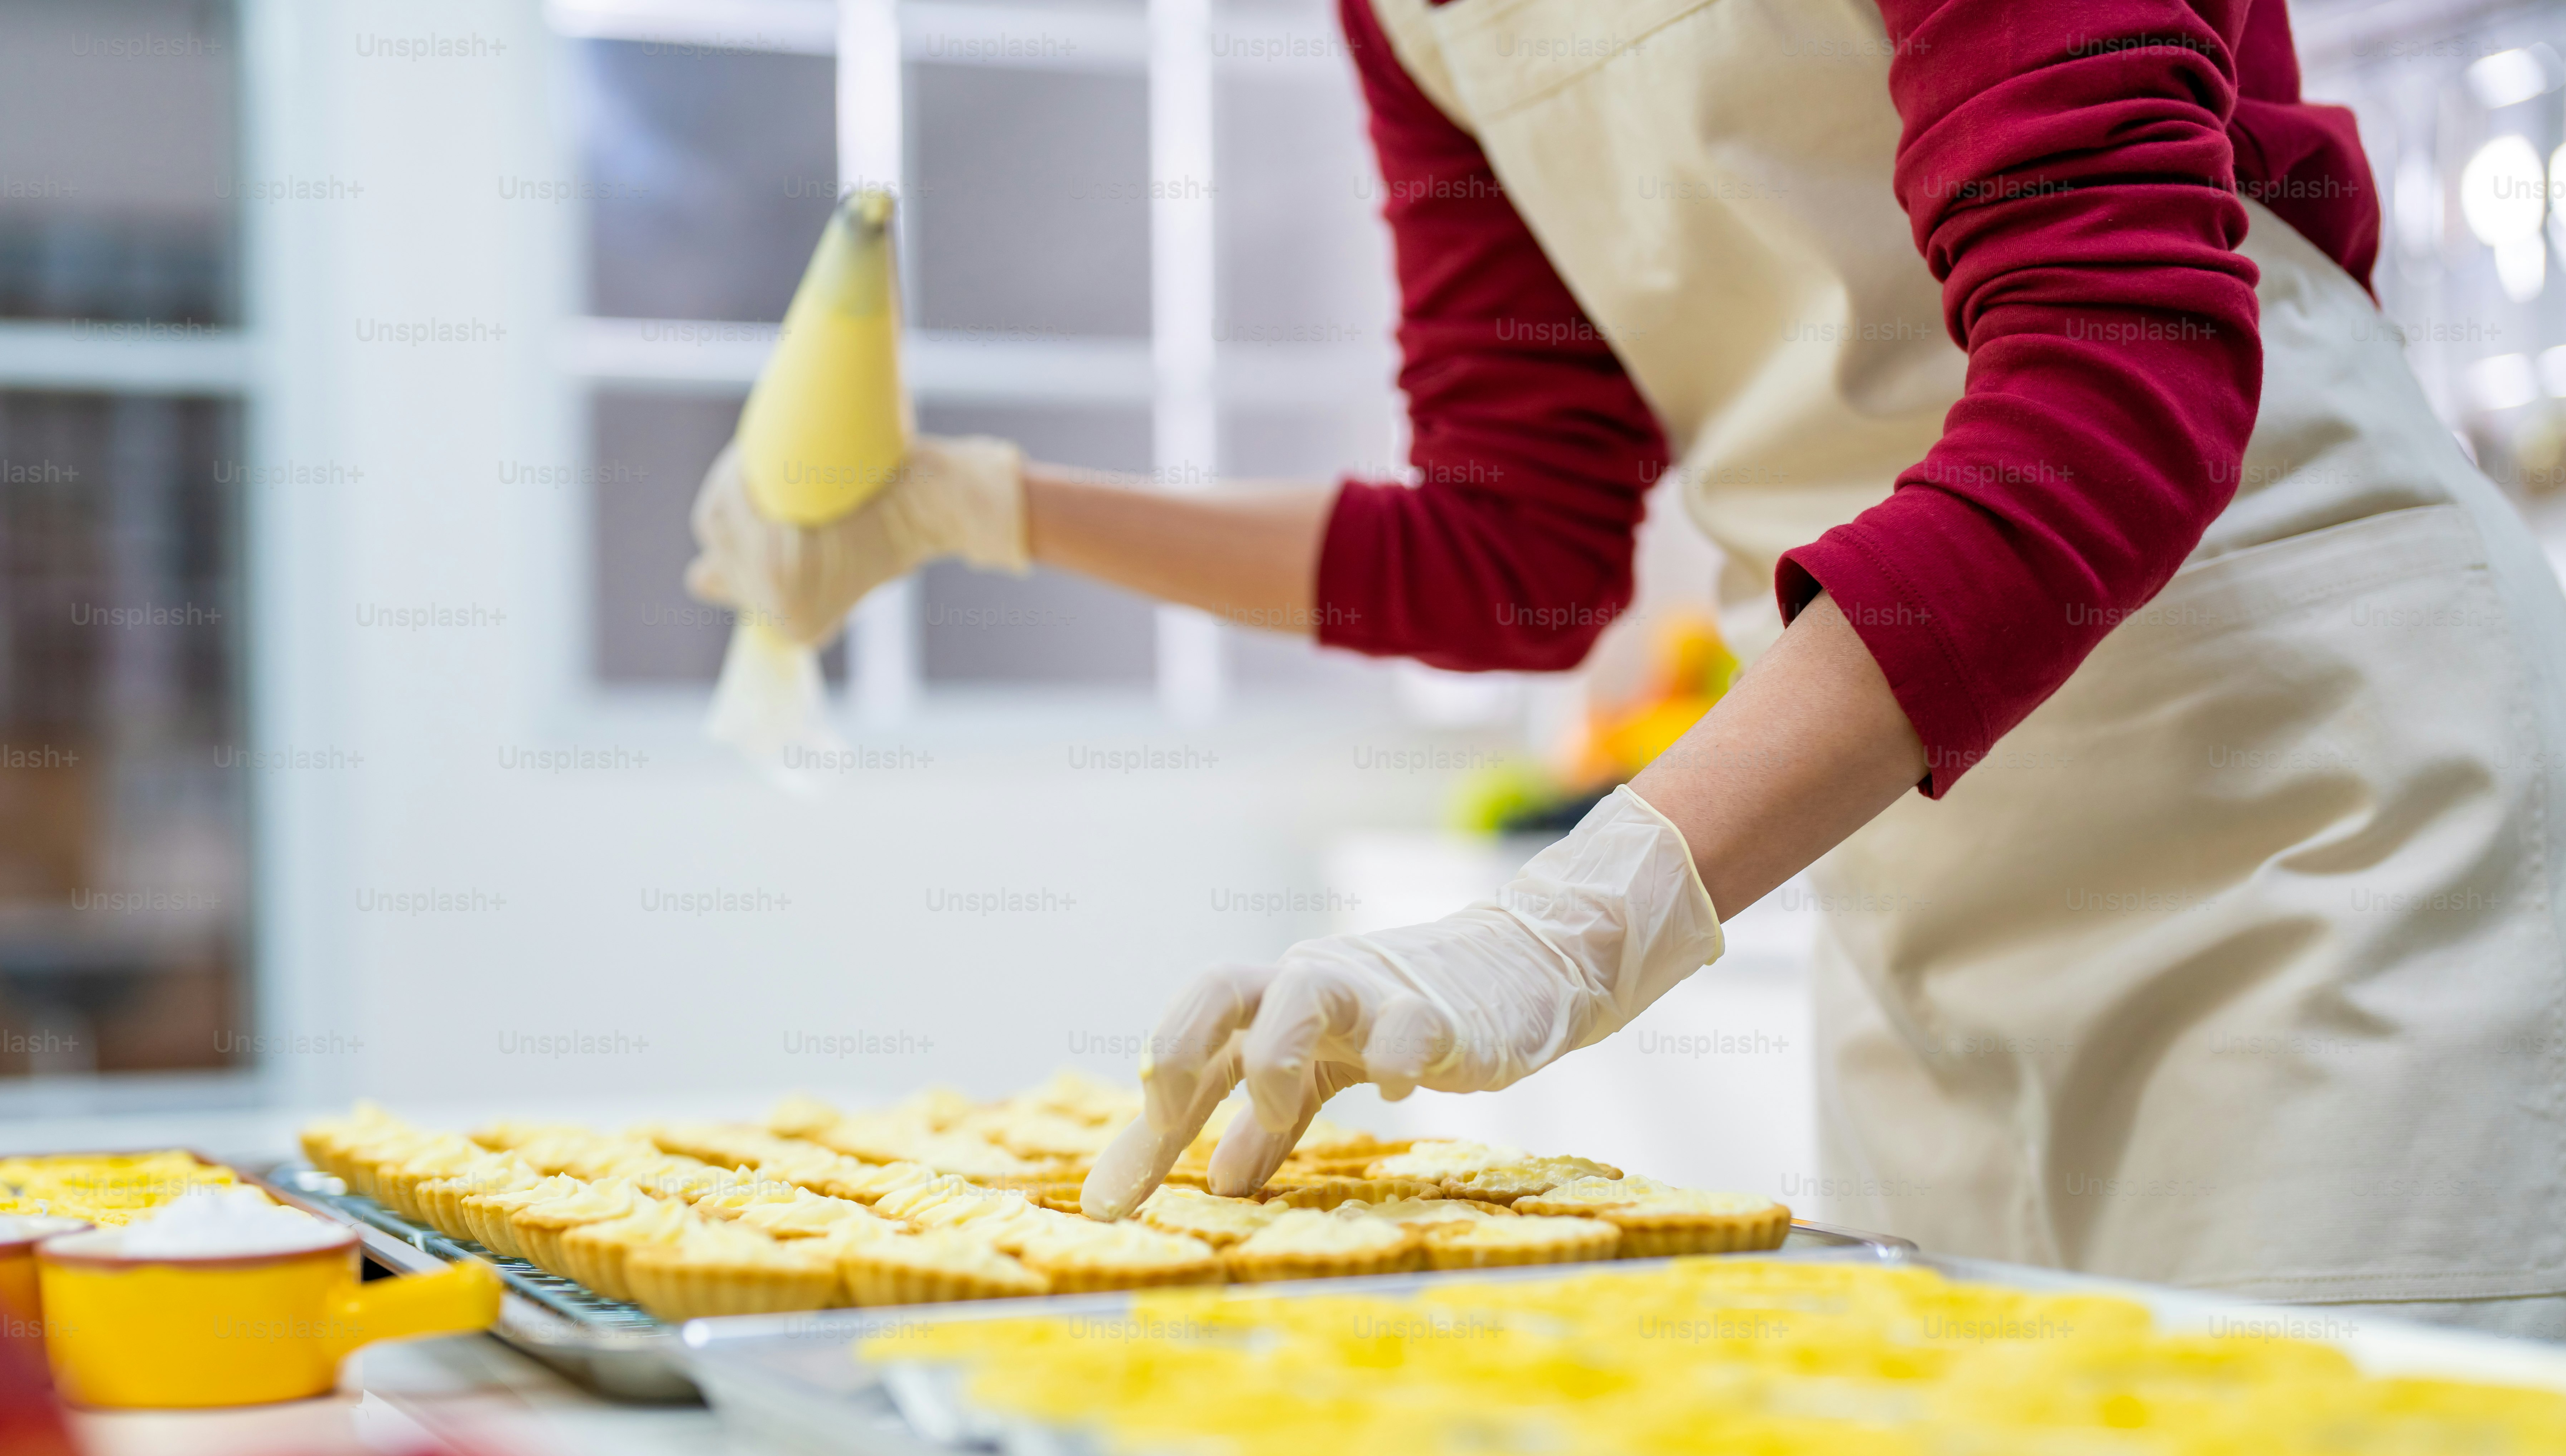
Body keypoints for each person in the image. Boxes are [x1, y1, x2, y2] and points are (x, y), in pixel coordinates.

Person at [686, 1, 2566, 1333]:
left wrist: (1584, 916)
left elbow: (2115, 377)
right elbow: (1515, 545)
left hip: (2312, 803)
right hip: (1924, 852)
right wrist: (977, 506)